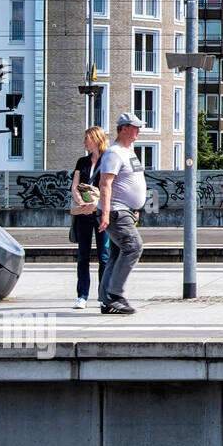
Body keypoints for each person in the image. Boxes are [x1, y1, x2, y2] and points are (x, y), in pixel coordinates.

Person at [97, 112, 148, 316]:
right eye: (135, 127)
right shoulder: (114, 153)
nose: (138, 131)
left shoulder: (129, 151)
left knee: (117, 254)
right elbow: (105, 183)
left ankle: (106, 299)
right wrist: (106, 214)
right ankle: (115, 295)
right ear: (124, 128)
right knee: (133, 247)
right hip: (116, 210)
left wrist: (136, 207)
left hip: (125, 210)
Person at [69, 126, 110, 309]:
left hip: (101, 213)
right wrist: (81, 204)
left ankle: (103, 296)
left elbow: (110, 186)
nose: (84, 142)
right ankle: (82, 295)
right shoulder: (82, 161)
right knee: (83, 255)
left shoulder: (108, 160)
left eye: (87, 138)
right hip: (83, 214)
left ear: (96, 139)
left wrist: (95, 204)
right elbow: (74, 186)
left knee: (104, 256)